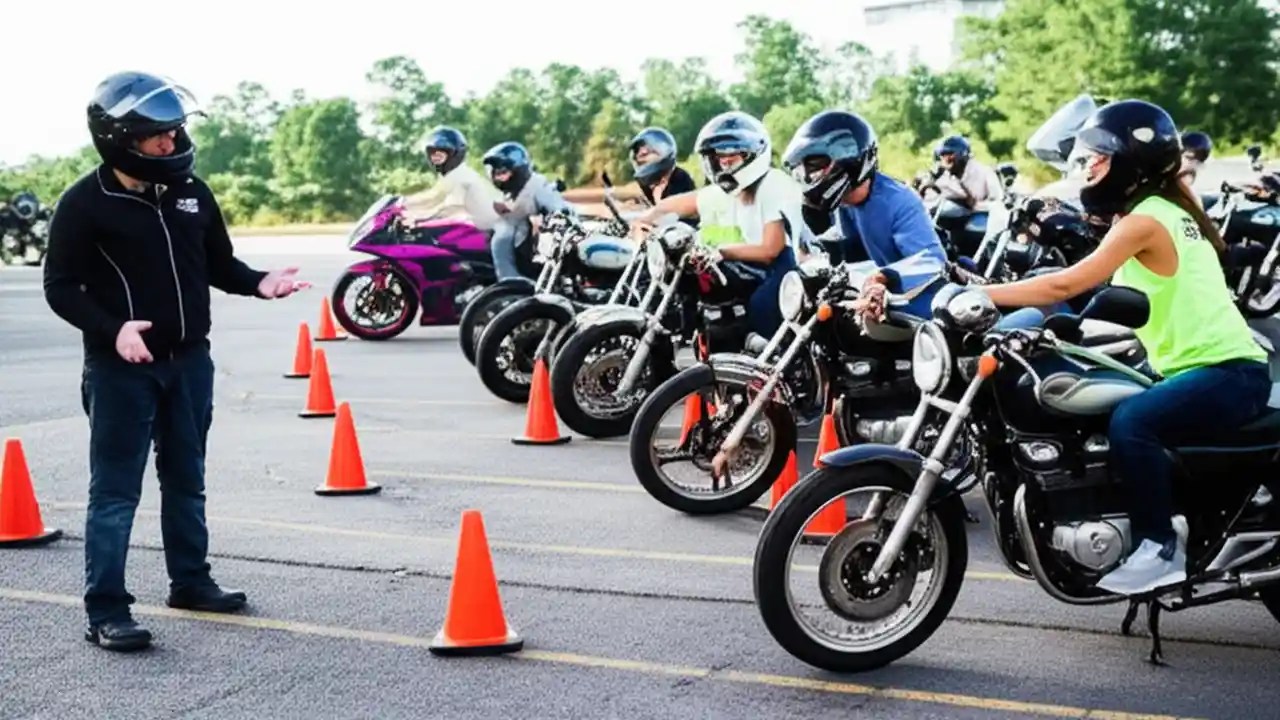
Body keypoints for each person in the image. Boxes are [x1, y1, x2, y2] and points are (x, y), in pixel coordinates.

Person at [42, 71, 309, 652]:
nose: (171, 143)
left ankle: (190, 581)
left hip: (190, 362)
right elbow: (60, 286)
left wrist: (262, 282)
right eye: (157, 136)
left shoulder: (193, 192)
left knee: (186, 480)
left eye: (175, 132)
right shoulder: (85, 203)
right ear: (121, 139)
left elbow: (220, 265)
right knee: (115, 494)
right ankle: (106, 610)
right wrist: (112, 331)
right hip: (121, 371)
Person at [975, 100, 1270, 595]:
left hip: (1228, 371)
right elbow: (1099, 296)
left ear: (1130, 164)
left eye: (1096, 159)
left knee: (1133, 422)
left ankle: (1159, 549)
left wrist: (977, 295)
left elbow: (1062, 285)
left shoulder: (1143, 222)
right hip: (1196, 370)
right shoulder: (1161, 212)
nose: (1086, 171)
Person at [629, 111, 809, 338]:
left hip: (787, 266)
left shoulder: (773, 183)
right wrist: (645, 218)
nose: (724, 162)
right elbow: (681, 203)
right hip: (750, 265)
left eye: (731, 155)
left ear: (751, 154)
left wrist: (720, 251)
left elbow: (770, 249)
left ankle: (770, 364)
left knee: (761, 308)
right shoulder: (728, 191)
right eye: (719, 156)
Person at [781, 109, 950, 321]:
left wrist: (881, 278)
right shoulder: (832, 205)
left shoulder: (899, 201)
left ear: (850, 159)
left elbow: (933, 260)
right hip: (860, 298)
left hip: (911, 301)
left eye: (816, 166)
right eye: (804, 168)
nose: (809, 176)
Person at [482, 141, 571, 280]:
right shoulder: (511, 193)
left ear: (518, 169)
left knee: (502, 235)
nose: (498, 176)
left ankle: (509, 280)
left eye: (503, 172)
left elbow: (560, 210)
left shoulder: (537, 187)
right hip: (526, 246)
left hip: (540, 250)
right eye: (495, 172)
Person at [401, 126, 502, 230]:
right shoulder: (454, 174)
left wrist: (413, 214)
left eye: (442, 153)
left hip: (485, 232)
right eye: (433, 153)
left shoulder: (460, 176)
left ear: (456, 153)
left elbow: (446, 207)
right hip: (482, 228)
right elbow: (433, 197)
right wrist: (403, 203)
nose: (436, 158)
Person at [918, 135, 1004, 213]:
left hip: (977, 222)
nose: (946, 159)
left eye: (950, 154)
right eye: (943, 155)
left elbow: (997, 204)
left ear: (963, 155)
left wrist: (977, 205)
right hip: (947, 221)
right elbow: (926, 203)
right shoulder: (941, 174)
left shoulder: (984, 172)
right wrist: (930, 181)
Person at [628, 127, 697, 208]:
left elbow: (679, 214)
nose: (641, 153)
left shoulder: (680, 178)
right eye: (637, 151)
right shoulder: (645, 185)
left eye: (647, 151)